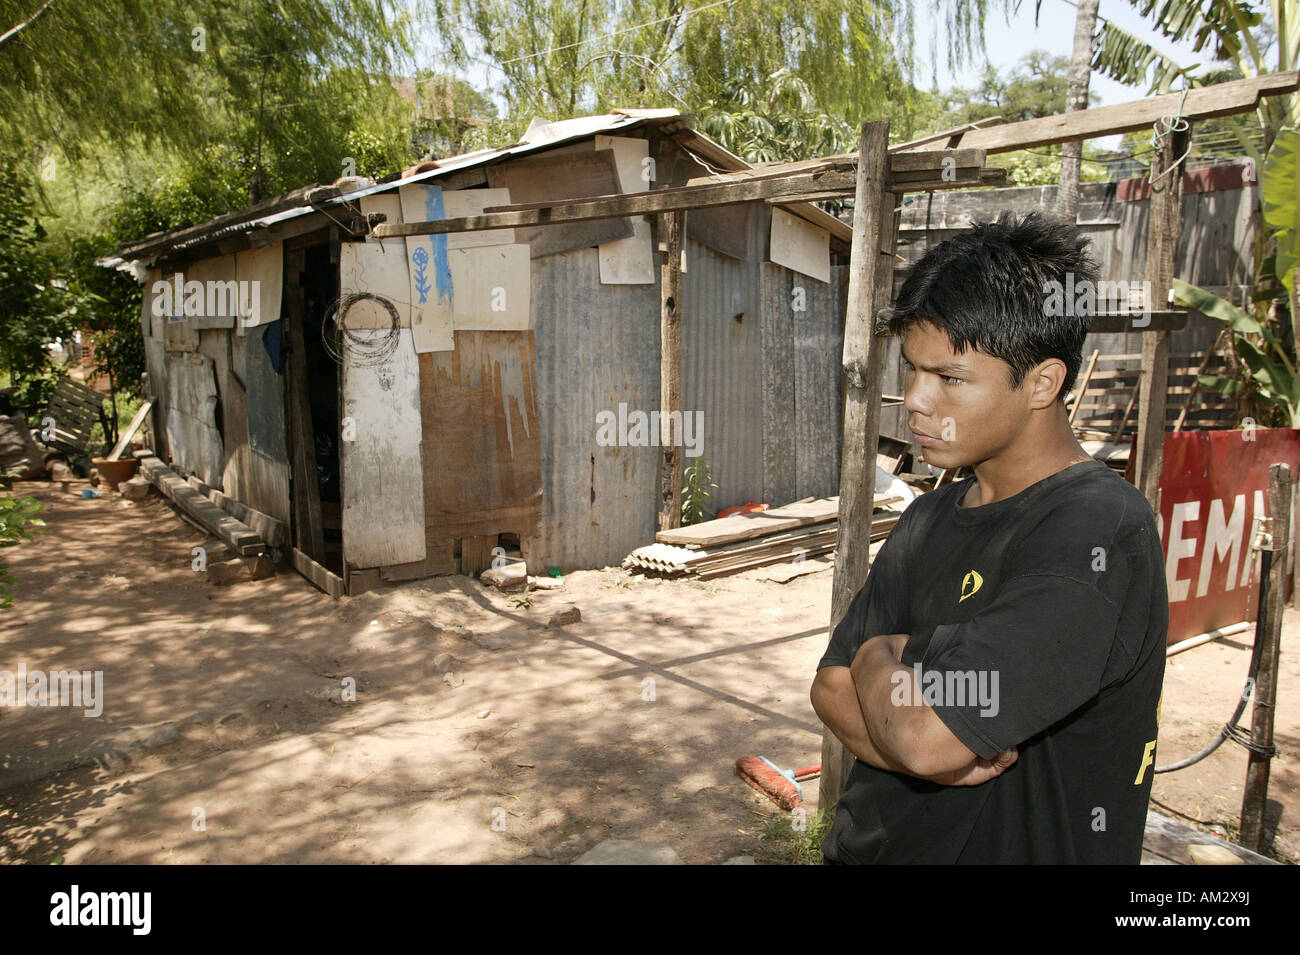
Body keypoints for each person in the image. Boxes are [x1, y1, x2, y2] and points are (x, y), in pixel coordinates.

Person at [811, 211, 1168, 864]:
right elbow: (830, 688)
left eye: (948, 377)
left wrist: (879, 661)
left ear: (1042, 383)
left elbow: (923, 735)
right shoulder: (928, 518)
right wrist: (883, 673)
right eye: (912, 369)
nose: (915, 398)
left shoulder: (1100, 531)